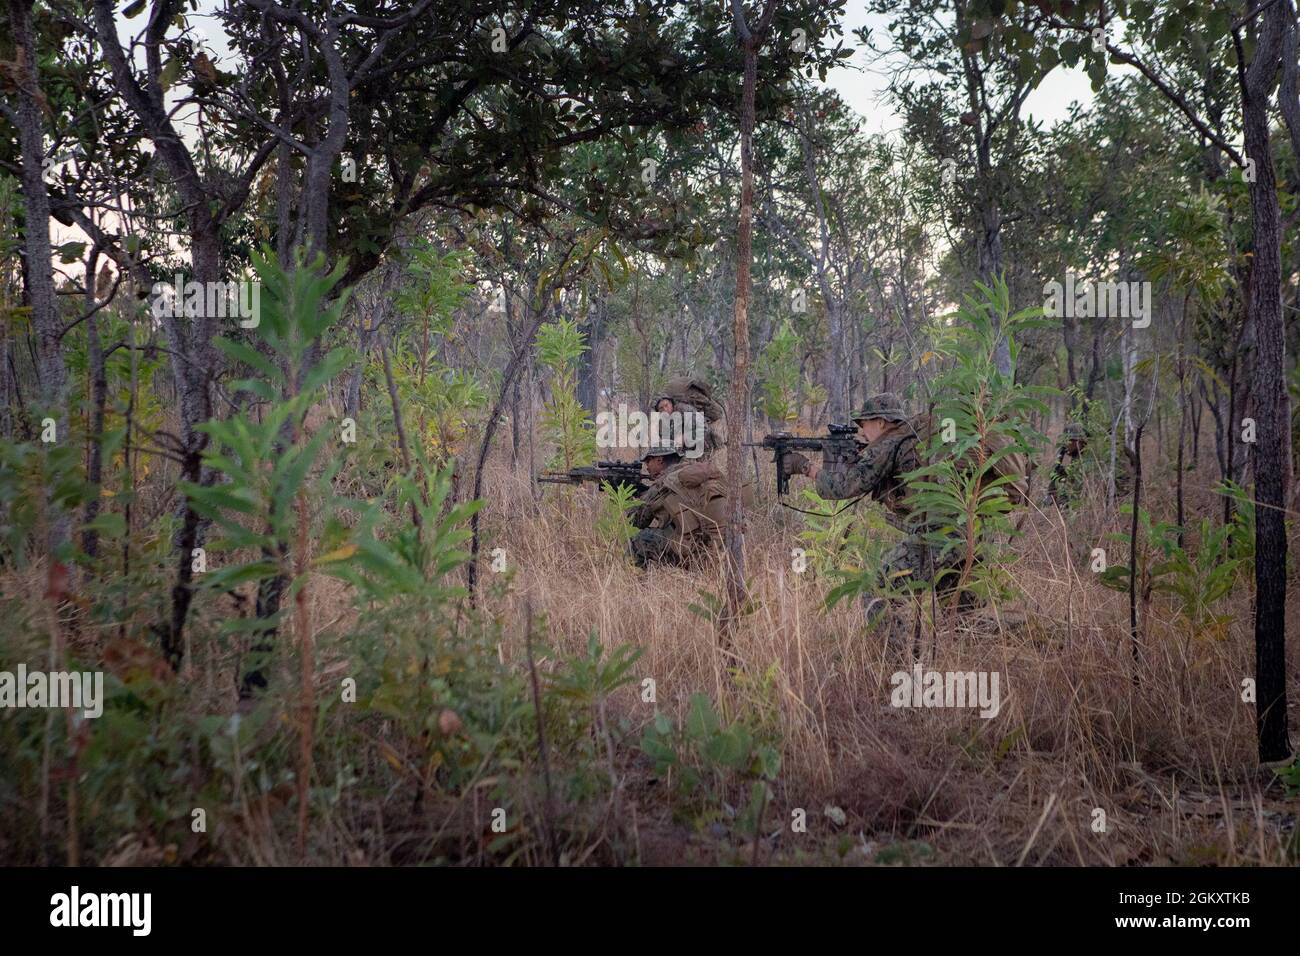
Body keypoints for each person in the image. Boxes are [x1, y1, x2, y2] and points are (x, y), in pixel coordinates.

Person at [784, 392, 1025, 622]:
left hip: (939, 536)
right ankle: (1033, 638)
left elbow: (843, 487)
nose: (861, 431)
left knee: (879, 590)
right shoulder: (915, 437)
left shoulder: (890, 441)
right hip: (970, 532)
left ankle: (890, 659)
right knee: (964, 618)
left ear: (881, 422)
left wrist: (805, 467)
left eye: (863, 423)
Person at [628, 446, 728, 568]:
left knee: (641, 539)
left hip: (695, 551)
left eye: (648, 461)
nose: (647, 467)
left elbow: (636, 520)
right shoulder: (694, 473)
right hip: (722, 547)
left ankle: (636, 580)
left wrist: (626, 497)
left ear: (659, 460)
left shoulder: (664, 483)